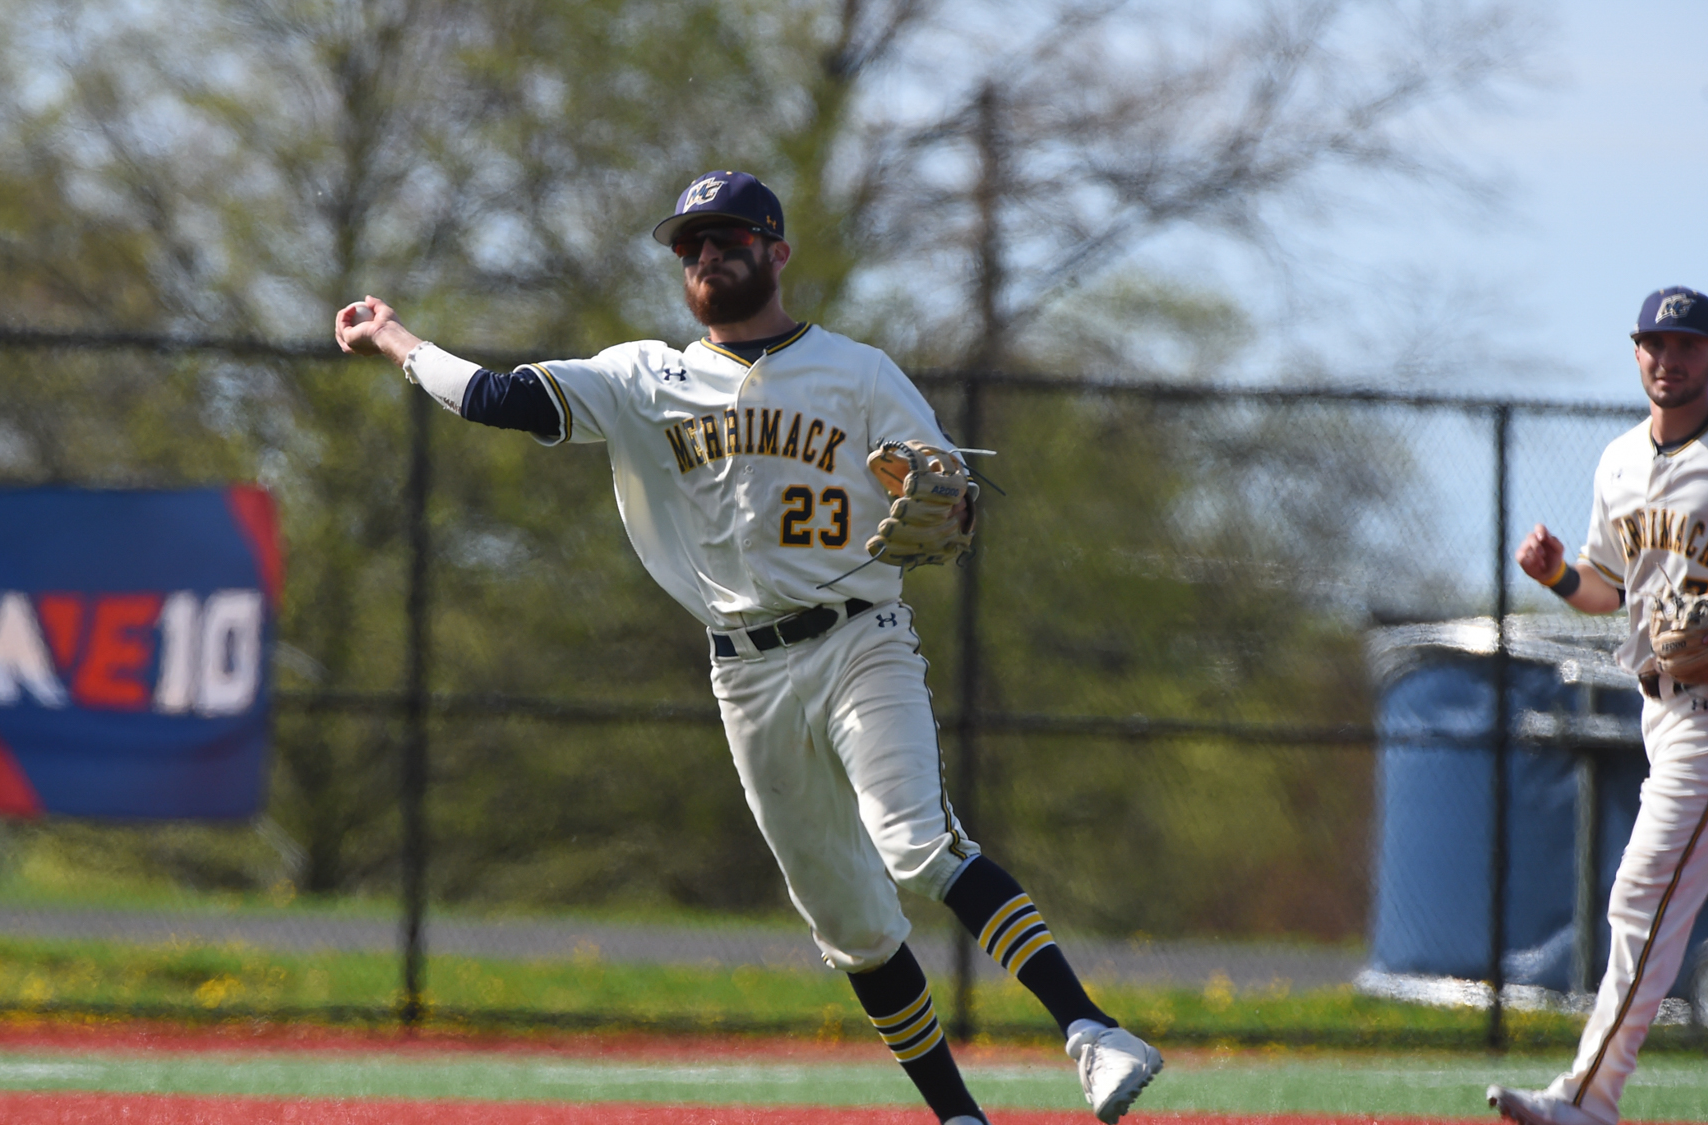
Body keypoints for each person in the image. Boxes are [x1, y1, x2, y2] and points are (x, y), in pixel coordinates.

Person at [335, 170, 1162, 1125]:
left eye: (725, 236)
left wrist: (956, 501)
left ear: (774, 249)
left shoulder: (858, 371)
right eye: (688, 245)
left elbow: (951, 497)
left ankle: (1093, 1030)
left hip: (861, 638)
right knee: (848, 925)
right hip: (746, 675)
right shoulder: (643, 380)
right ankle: (959, 1118)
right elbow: (491, 395)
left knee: (918, 845)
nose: (703, 254)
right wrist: (395, 337)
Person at [1491, 287, 1708, 1125]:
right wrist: (1560, 575)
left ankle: (1589, 1099)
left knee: (1642, 890)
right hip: (1662, 709)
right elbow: (1609, 591)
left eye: (1686, 344)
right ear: (1636, 352)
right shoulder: (1616, 463)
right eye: (1654, 343)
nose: (1667, 358)